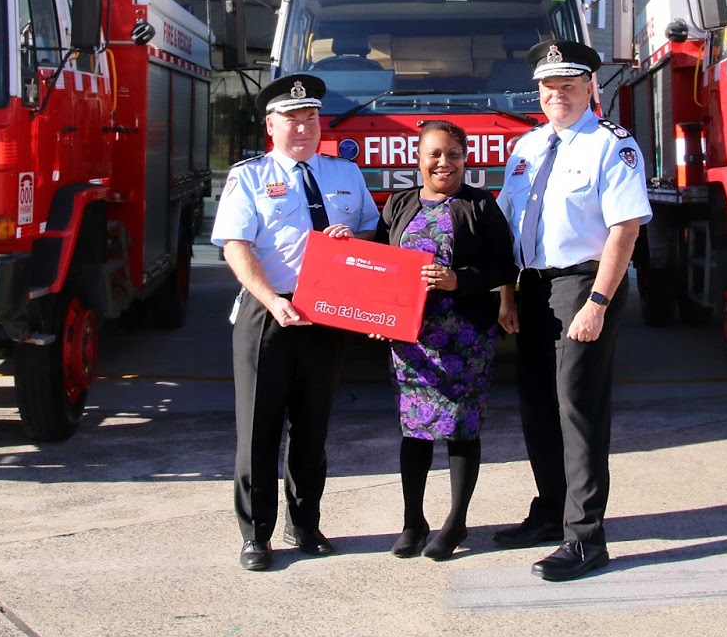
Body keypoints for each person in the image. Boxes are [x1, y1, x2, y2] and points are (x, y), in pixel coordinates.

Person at [493, 40, 652, 582]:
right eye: (547, 87)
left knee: (577, 412)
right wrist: (508, 294)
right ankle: (549, 511)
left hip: (582, 284)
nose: (556, 94)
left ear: (590, 88)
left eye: (567, 85)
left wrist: (599, 302)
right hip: (532, 288)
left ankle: (586, 537)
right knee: (536, 404)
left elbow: (624, 229)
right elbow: (511, 228)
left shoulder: (613, 145)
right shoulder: (527, 147)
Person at [210, 73, 380, 572]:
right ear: (271, 125)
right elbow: (236, 247)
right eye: (291, 118)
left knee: (313, 428)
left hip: (327, 313)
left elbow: (372, 229)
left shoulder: (345, 174)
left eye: (310, 118)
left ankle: (304, 524)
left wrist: (354, 240)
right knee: (259, 430)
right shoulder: (249, 177)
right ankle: (256, 535)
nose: (303, 127)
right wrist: (271, 298)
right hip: (269, 312)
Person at [373, 120, 517, 561]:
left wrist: (459, 280)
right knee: (413, 431)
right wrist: (377, 312)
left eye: (453, 154)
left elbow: (504, 266)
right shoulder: (399, 204)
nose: (444, 163)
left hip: (466, 338)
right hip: (411, 340)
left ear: (465, 159)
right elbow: (379, 263)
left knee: (461, 430)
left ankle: (455, 523)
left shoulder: (480, 205)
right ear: (417, 159)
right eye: (434, 154)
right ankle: (413, 522)